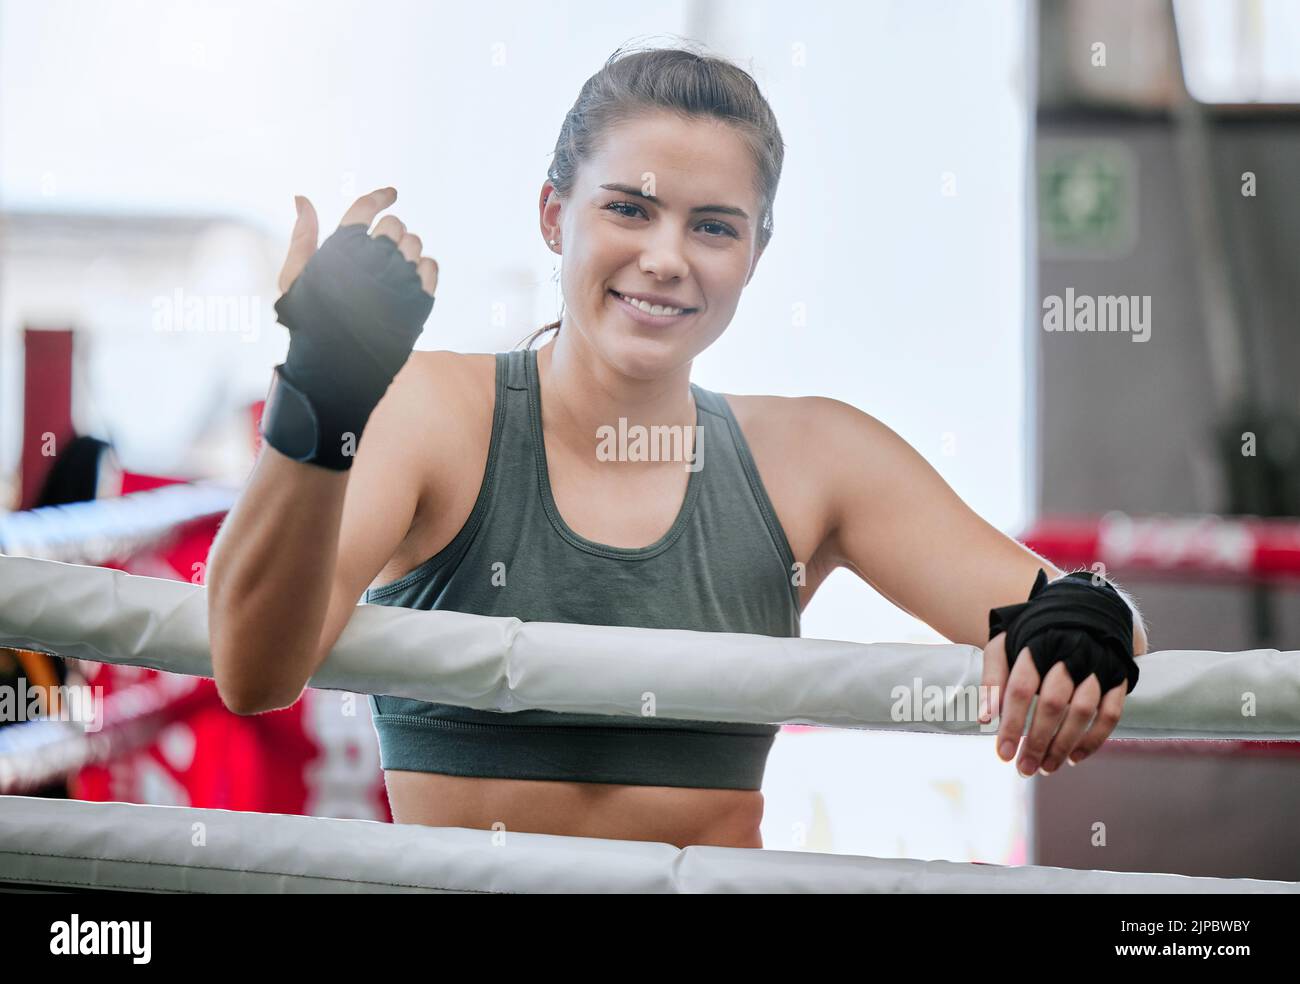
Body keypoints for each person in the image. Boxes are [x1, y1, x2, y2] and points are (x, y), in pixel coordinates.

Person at [207, 42, 1148, 850]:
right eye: (629, 209)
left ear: (754, 254)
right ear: (552, 216)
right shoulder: (439, 416)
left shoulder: (810, 458)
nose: (666, 257)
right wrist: (319, 395)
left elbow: (1088, 618)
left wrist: (1089, 623)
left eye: (712, 227)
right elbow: (252, 671)